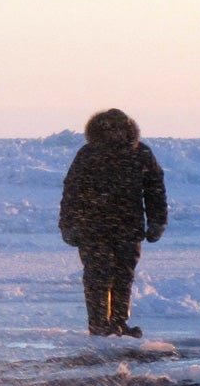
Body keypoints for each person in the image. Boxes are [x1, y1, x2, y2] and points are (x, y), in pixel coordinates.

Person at [59, 108, 167, 337]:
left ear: (127, 129)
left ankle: (119, 324)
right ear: (101, 129)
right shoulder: (88, 154)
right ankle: (98, 325)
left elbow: (155, 190)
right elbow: (72, 191)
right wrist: (68, 225)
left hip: (128, 227)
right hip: (93, 228)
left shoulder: (141, 153)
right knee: (98, 275)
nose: (115, 133)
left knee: (123, 275)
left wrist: (157, 222)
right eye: (110, 128)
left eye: (120, 128)